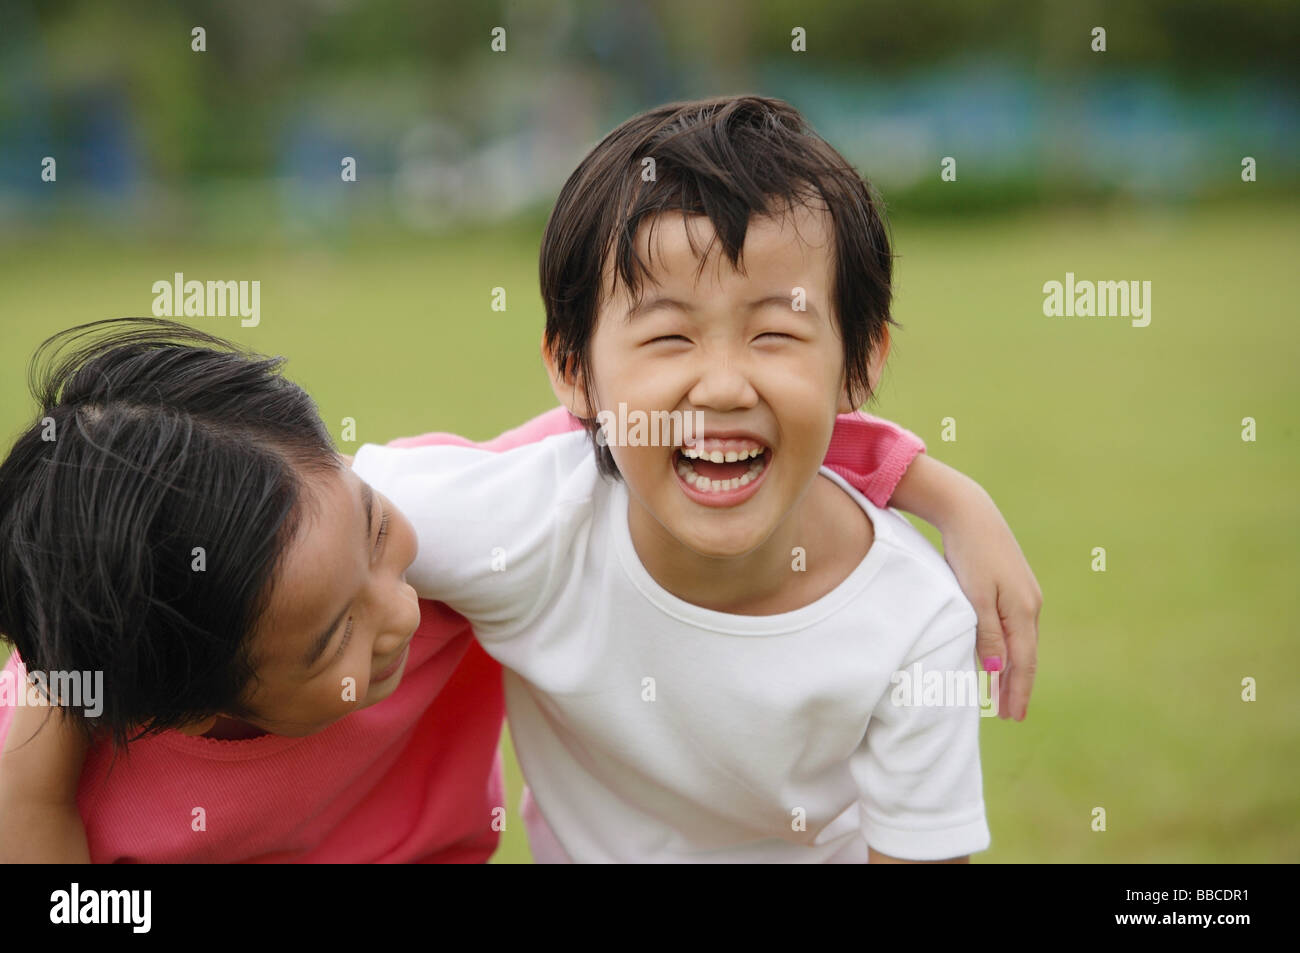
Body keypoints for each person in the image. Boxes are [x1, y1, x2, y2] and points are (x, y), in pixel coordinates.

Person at [0, 313, 1035, 862]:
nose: (400, 607)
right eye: (331, 643)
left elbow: (671, 430)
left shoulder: (459, 520)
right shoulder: (83, 715)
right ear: (190, 701)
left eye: (373, 531)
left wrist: (947, 495)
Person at [343, 95, 1033, 861]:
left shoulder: (914, 618)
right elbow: (279, 509)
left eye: (776, 333)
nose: (724, 386)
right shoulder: (527, 523)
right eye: (670, 336)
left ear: (861, 362)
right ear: (574, 370)